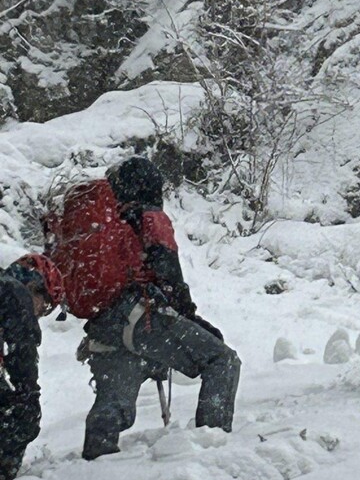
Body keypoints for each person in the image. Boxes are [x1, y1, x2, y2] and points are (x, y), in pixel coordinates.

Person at [46, 156, 241, 460]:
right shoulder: (149, 217)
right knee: (222, 360)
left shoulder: (105, 222)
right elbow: (168, 274)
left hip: (103, 324)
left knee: (114, 406)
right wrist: (190, 317)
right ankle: (211, 449)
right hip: (141, 316)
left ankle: (94, 468)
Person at [0, 254, 64, 480]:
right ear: (35, 287)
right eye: (45, 306)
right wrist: (29, 398)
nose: (40, 314)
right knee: (19, 419)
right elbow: (22, 353)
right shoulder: (15, 293)